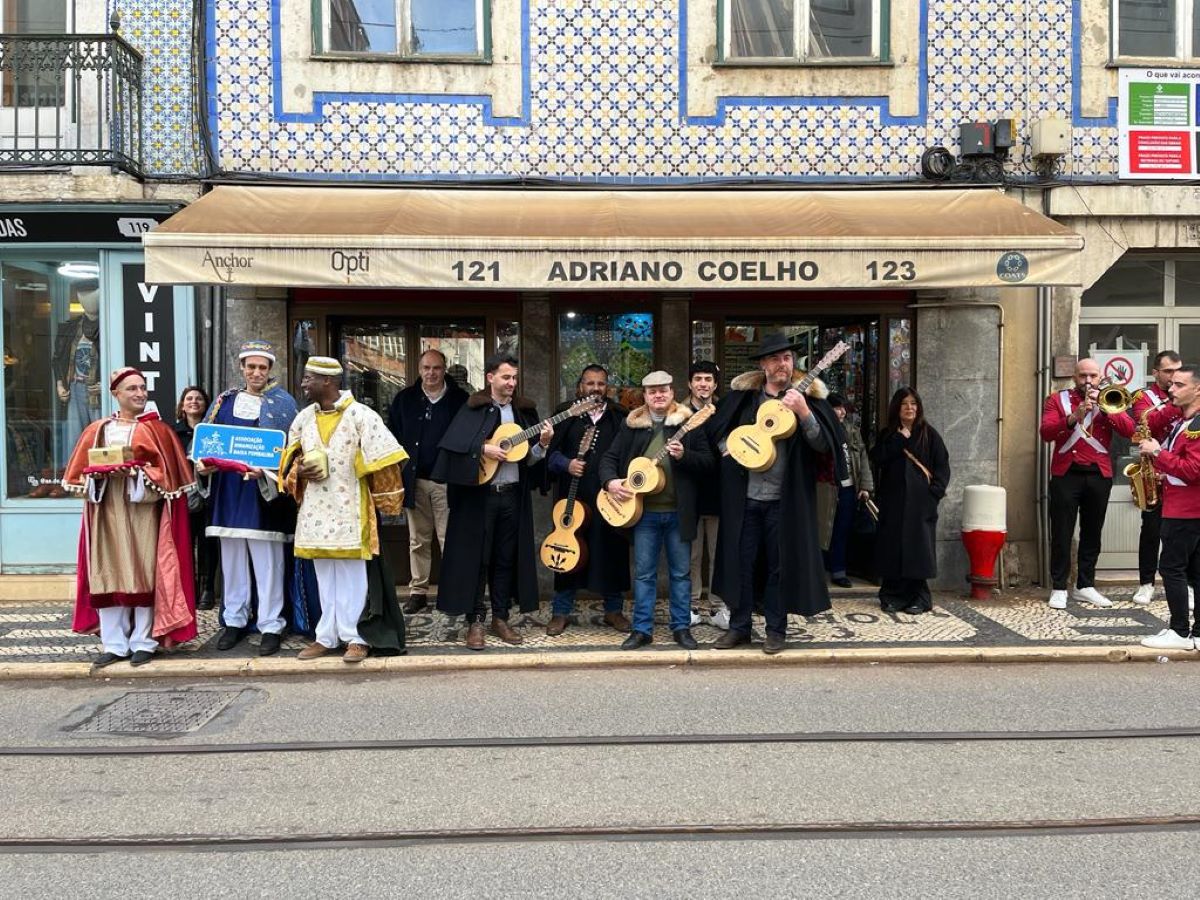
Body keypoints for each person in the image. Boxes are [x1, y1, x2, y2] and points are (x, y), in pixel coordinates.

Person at [708, 333, 846, 655]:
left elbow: (824, 445)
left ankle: (775, 630)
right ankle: (739, 628)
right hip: (745, 500)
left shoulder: (806, 400)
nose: (781, 364)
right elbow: (714, 432)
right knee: (741, 565)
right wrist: (730, 448)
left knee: (778, 567)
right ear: (763, 365)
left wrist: (804, 414)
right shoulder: (744, 399)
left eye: (786, 358)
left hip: (785, 502)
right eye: (774, 359)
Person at [62, 368, 196, 668]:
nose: (139, 394)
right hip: (106, 512)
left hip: (144, 511)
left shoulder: (158, 431)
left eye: (142, 388)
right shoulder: (96, 430)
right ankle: (114, 643)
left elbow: (168, 480)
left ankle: (144, 641)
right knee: (108, 573)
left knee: (146, 572)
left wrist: (137, 473)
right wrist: (101, 476)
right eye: (132, 389)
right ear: (116, 394)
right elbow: (78, 479)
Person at [280, 356, 409, 662]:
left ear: (328, 381)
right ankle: (326, 636)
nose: (303, 383)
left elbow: (385, 458)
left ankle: (355, 637)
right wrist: (299, 470)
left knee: (353, 576)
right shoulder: (303, 419)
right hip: (315, 511)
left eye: (309, 378)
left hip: (352, 508)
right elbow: (287, 460)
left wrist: (387, 501)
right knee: (324, 575)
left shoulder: (361, 416)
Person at [433, 353, 551, 650]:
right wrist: (482, 449)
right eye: (506, 377)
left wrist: (543, 446)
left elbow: (531, 461)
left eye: (514, 378)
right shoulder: (474, 408)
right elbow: (454, 446)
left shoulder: (524, 413)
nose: (511, 383)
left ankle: (500, 617)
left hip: (512, 496)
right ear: (490, 378)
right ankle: (475, 620)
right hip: (480, 498)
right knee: (479, 559)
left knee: (505, 558)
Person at [599, 370, 715, 650]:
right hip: (643, 513)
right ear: (646, 397)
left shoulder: (689, 423)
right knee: (644, 574)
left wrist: (684, 456)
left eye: (663, 390)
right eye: (652, 392)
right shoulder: (633, 425)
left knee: (680, 574)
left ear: (672, 393)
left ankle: (681, 628)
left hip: (678, 512)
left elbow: (709, 463)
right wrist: (611, 482)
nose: (658, 395)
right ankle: (642, 630)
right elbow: (609, 458)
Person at [197, 341, 299, 656]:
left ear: (270, 370)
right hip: (229, 490)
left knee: (268, 561)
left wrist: (269, 472)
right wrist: (202, 463)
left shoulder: (283, 403)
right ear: (242, 368)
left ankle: (271, 624)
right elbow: (207, 441)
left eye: (262, 367)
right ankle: (234, 621)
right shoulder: (223, 401)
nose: (256, 372)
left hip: (262, 492)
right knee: (232, 560)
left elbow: (292, 452)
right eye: (251, 367)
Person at [1039, 357, 1136, 610]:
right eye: (1083, 376)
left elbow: (1129, 430)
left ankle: (1085, 585)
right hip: (1066, 474)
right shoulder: (1056, 400)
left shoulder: (1111, 397)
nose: (1088, 381)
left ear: (1100, 376)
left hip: (1099, 474)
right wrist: (1074, 417)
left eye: (1093, 376)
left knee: (1093, 532)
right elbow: (1046, 433)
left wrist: (1107, 409)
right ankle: (1059, 586)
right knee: (1061, 531)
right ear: (1074, 377)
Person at [545, 364, 631, 636]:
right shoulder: (565, 413)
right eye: (590, 383)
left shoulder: (620, 417)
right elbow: (548, 453)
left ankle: (613, 611)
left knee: (612, 551)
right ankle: (561, 612)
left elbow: (630, 455)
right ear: (580, 385)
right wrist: (566, 464)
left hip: (610, 498)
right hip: (572, 498)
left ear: (608, 387)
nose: (596, 388)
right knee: (566, 551)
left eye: (601, 384)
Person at [386, 348, 468, 615]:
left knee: (449, 539)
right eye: (426, 368)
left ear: (445, 370)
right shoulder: (405, 399)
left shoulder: (460, 400)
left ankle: (452, 592)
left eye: (436, 368)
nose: (431, 373)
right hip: (415, 481)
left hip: (447, 482)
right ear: (419, 370)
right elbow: (392, 436)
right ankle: (418, 592)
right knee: (417, 540)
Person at [1137, 364, 1200, 650]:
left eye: (1178, 385)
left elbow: (1194, 470)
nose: (1170, 390)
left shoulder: (1197, 426)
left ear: (1197, 389)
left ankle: (1179, 630)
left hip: (1186, 510)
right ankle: (1197, 632)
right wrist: (1164, 473)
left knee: (1171, 568)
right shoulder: (1183, 423)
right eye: (1170, 384)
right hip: (1183, 506)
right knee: (1195, 573)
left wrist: (1158, 453)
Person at [872, 388, 951, 614]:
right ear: (897, 407)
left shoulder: (929, 434)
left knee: (917, 551)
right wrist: (899, 438)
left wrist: (933, 495)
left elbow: (942, 466)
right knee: (892, 549)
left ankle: (919, 598)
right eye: (905, 403)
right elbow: (878, 457)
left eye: (913, 403)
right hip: (893, 503)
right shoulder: (888, 434)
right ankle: (891, 596)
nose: (909, 407)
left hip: (920, 505)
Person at [1127, 351, 1184, 606]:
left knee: (1183, 533)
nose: (1174, 376)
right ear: (1156, 373)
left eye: (1177, 370)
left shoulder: (1187, 392)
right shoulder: (1144, 396)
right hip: (1154, 470)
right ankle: (1146, 583)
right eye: (1168, 371)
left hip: (1180, 470)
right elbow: (1148, 421)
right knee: (1151, 530)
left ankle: (1188, 584)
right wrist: (1175, 402)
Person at [685, 360, 727, 629]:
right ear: (690, 383)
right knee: (691, 555)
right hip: (689, 492)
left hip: (720, 491)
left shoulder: (724, 410)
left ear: (714, 384)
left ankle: (717, 607)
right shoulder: (678, 412)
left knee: (717, 552)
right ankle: (690, 606)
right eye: (698, 379)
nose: (703, 384)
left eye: (708, 379)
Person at [820, 393, 874, 589]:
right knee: (822, 530)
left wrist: (866, 486)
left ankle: (838, 570)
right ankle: (818, 570)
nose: (842, 412)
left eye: (844, 408)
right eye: (837, 407)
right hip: (825, 488)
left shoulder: (852, 430)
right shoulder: (820, 429)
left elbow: (863, 457)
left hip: (849, 487)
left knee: (842, 529)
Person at [174, 385, 218, 610]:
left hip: (210, 495)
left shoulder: (213, 432)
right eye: (189, 398)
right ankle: (188, 589)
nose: (194, 402)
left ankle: (208, 588)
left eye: (199, 399)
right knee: (185, 543)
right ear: (182, 405)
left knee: (209, 544)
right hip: (184, 496)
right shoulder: (173, 433)